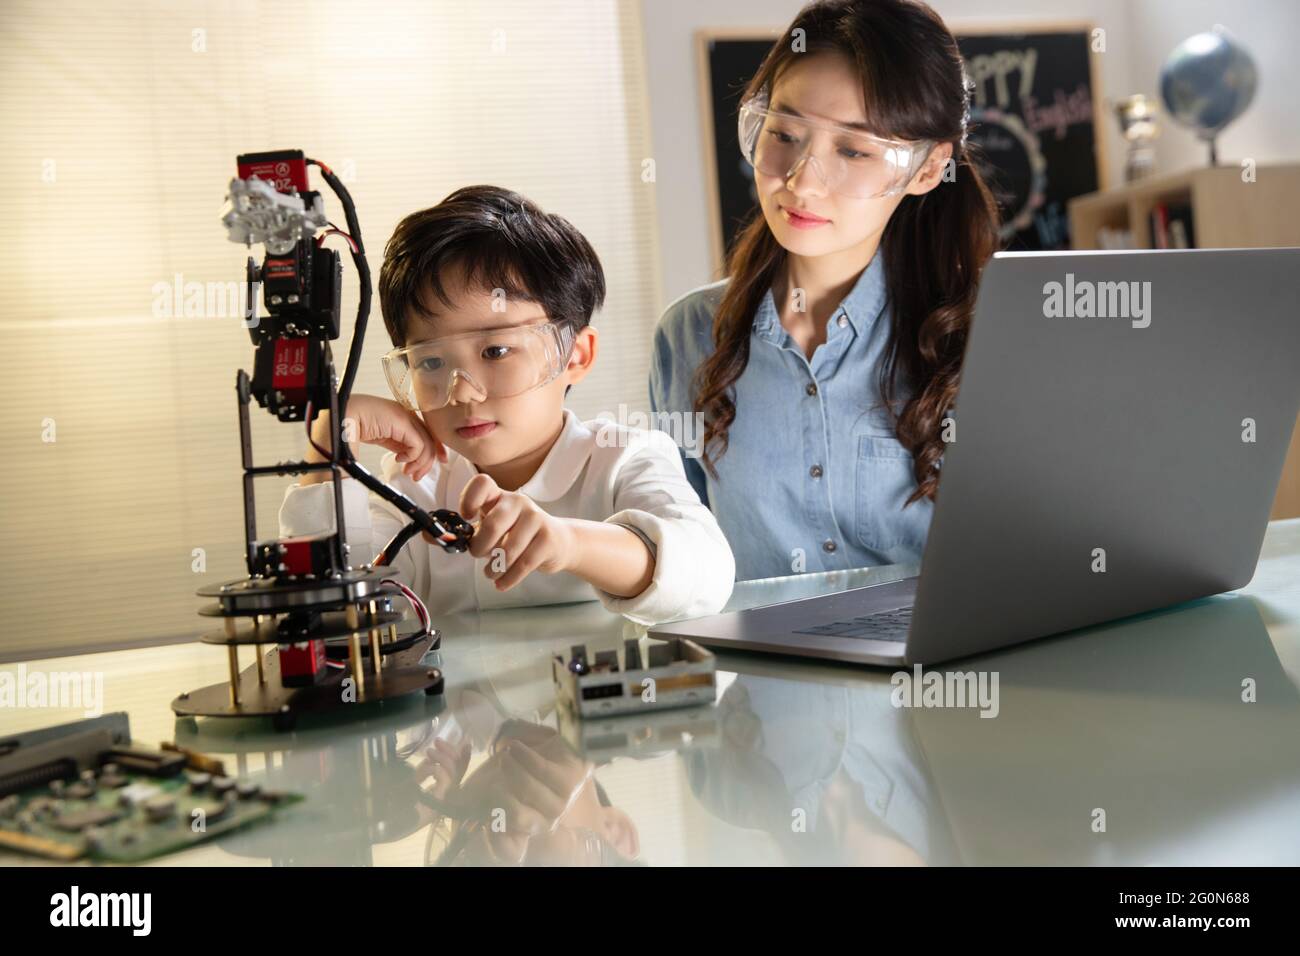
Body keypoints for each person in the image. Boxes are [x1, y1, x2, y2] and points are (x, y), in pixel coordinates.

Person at [650, 0, 1000, 580]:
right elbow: (684, 563)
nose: (800, 180)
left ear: (928, 169)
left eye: (854, 150)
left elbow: (1033, 563)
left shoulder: (988, 332)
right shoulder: (687, 336)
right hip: (759, 671)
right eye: (784, 133)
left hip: (944, 672)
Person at [279, 185, 734, 624]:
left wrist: (568, 543)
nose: (461, 391)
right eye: (431, 361)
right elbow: (336, 615)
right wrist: (329, 445)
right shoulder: (417, 485)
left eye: (496, 351)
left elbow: (707, 576)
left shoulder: (622, 457)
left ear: (575, 355)